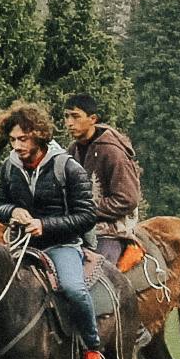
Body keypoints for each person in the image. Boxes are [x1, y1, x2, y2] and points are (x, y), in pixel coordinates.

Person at [0, 98, 107, 359]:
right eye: (12, 139)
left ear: (39, 135)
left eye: (23, 138)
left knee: (73, 289)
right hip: (21, 245)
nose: (16, 146)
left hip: (62, 245)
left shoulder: (66, 168)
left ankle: (92, 351)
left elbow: (86, 216)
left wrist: (45, 225)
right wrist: (11, 212)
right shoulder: (9, 167)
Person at [63, 92, 147, 274]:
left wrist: (85, 210)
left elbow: (127, 199)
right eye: (66, 116)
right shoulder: (73, 150)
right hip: (78, 227)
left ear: (92, 119)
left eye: (76, 116)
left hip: (111, 230)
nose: (69, 123)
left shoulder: (112, 152)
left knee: (97, 276)